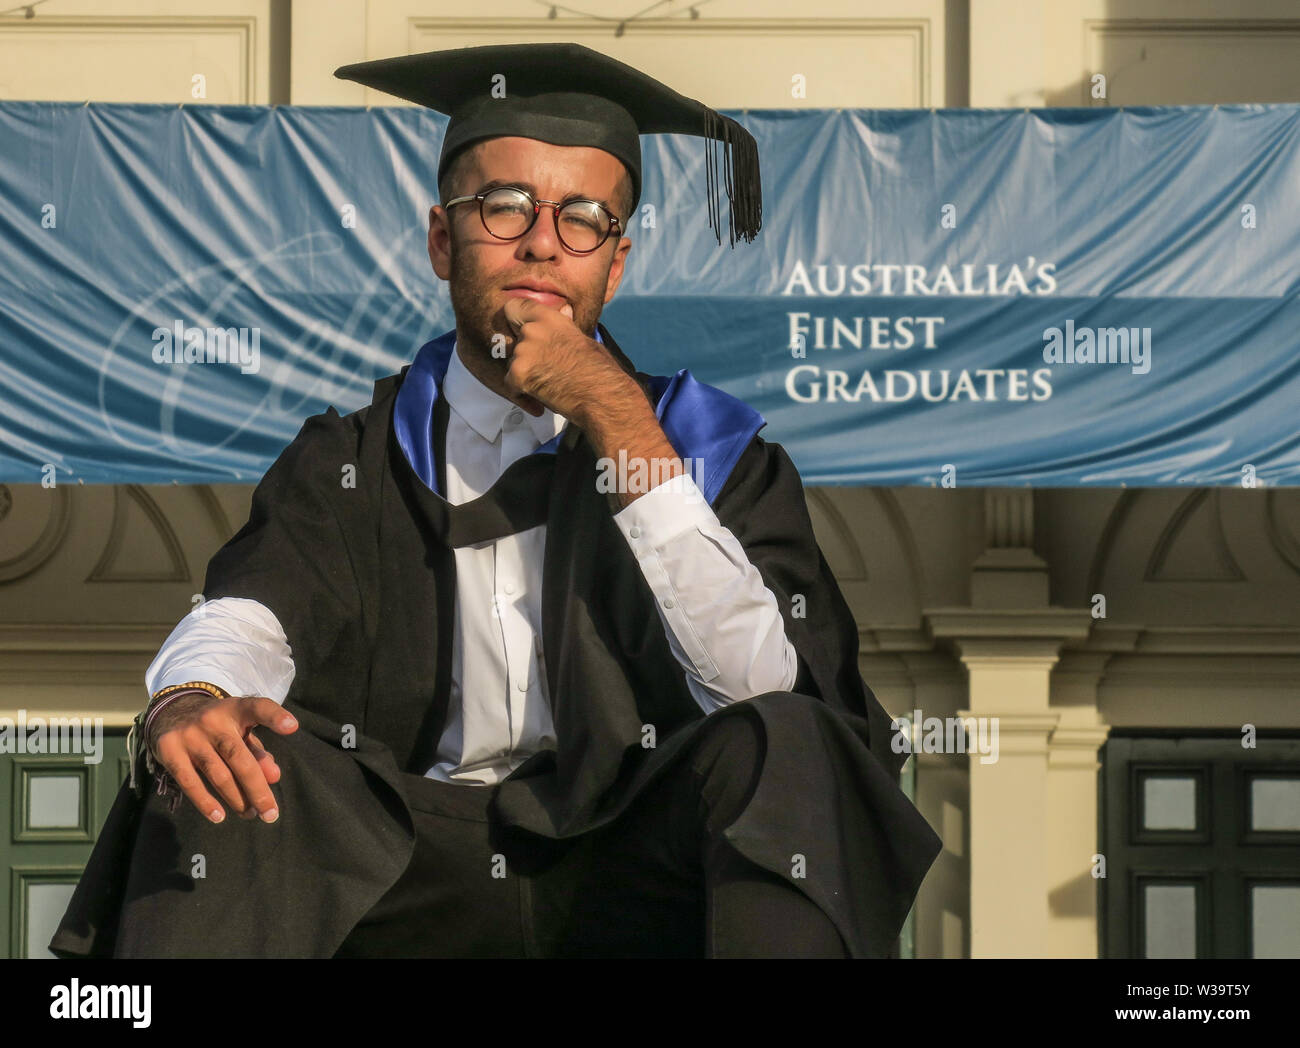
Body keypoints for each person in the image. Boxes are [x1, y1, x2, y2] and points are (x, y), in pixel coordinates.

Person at [50, 42, 941, 959]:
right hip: (406, 867)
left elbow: (765, 697)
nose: (543, 240)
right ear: (443, 240)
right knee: (229, 763)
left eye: (585, 218)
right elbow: (252, 615)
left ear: (616, 264)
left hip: (640, 867)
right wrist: (192, 694)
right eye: (505, 206)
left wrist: (616, 419)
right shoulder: (350, 461)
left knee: (787, 743)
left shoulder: (716, 456)